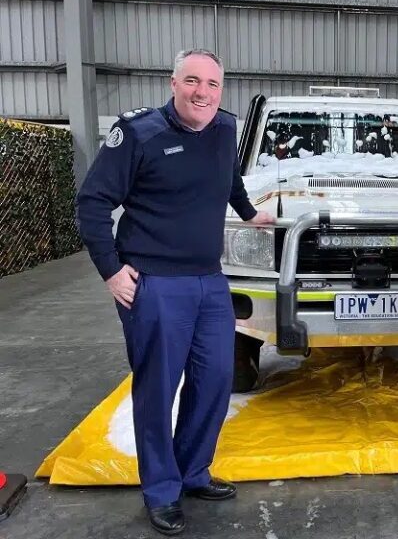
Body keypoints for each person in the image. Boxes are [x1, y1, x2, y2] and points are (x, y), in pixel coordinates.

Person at [76, 48, 275, 535]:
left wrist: (249, 214)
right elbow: (92, 202)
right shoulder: (138, 133)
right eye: (192, 81)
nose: (202, 93)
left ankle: (192, 472)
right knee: (158, 388)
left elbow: (229, 178)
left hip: (210, 280)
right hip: (154, 282)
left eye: (212, 84)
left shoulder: (225, 130)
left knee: (214, 381)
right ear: (173, 83)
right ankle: (161, 491)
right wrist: (110, 270)